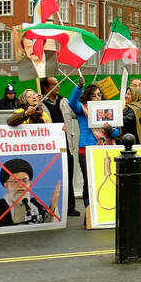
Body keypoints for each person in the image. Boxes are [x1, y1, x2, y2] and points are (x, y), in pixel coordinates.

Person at [68, 79, 116, 214]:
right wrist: (79, 87)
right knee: (89, 181)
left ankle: (103, 210)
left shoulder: (107, 110)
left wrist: (110, 130)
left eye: (99, 95)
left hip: (104, 150)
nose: (97, 97)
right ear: (88, 96)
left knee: (103, 179)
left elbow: (117, 133)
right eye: (94, 95)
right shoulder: (82, 109)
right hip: (87, 149)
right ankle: (89, 213)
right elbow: (72, 103)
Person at [41, 76, 80, 216]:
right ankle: (51, 206)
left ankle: (70, 207)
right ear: (46, 88)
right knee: (52, 177)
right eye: (54, 84)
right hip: (51, 147)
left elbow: (75, 114)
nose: (58, 86)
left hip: (66, 145)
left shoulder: (64, 102)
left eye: (58, 84)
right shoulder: (41, 104)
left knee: (68, 176)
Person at [0, 156, 56, 227]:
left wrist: (53, 207)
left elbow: (47, 227)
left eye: (24, 180)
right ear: (5, 185)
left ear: (30, 183)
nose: (21, 185)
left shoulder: (36, 205)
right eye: (15, 181)